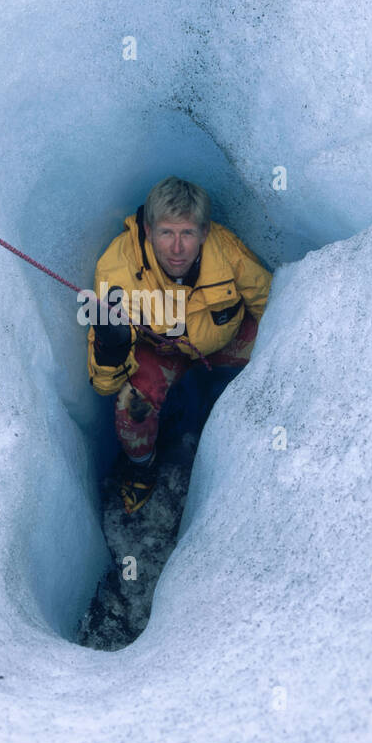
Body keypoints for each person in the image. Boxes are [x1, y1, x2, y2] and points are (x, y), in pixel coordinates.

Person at [88, 177, 272, 512]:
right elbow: (104, 385)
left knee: (273, 361)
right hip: (161, 352)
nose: (177, 248)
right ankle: (141, 467)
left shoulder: (228, 252)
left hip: (222, 341)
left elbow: (272, 310)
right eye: (166, 233)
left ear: (204, 232)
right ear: (148, 230)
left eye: (187, 233)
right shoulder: (118, 271)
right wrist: (112, 348)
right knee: (132, 404)